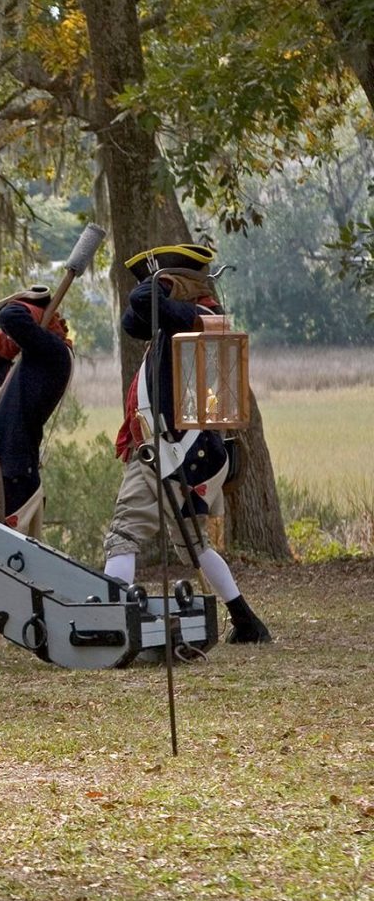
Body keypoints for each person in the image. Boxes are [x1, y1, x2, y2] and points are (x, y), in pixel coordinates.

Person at [100, 244, 272, 645]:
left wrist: (157, 284)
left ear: (177, 283)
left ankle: (111, 626)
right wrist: (158, 285)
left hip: (173, 450)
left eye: (159, 279)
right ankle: (246, 621)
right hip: (184, 451)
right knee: (195, 546)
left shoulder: (200, 316)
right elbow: (132, 320)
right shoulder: (182, 319)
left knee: (123, 534)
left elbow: (142, 298)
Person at [0, 285, 74, 534]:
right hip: (1, 459)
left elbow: (10, 317)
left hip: (14, 465)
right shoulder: (31, 365)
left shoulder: (55, 354)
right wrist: (6, 344)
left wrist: (33, 306)